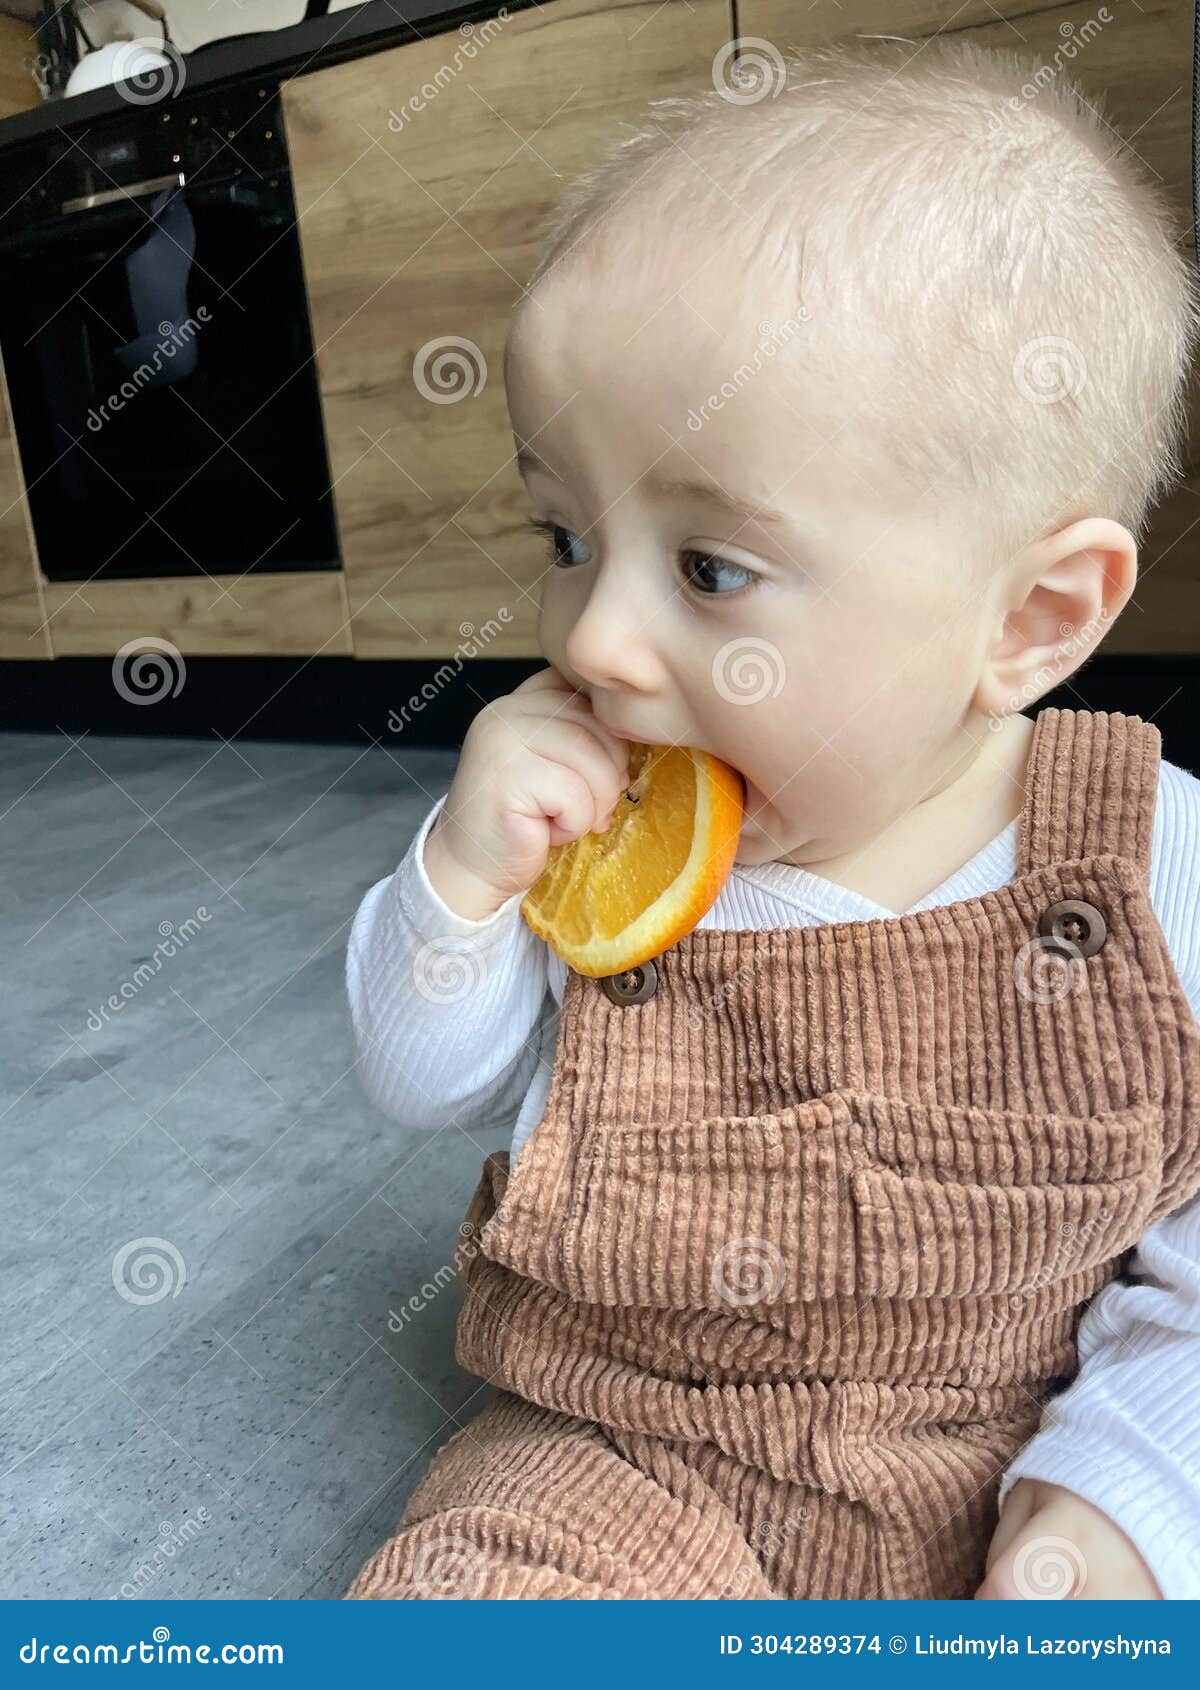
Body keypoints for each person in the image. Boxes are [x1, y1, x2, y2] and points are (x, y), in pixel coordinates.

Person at [343, 37, 1200, 1599]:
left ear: (1030, 618)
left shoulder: (1151, 863)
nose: (597, 639)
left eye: (710, 569)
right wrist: (461, 879)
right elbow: (423, 1081)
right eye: (566, 535)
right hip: (619, 1459)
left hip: (1010, 1468)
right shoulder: (597, 838)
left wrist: (1125, 1490)